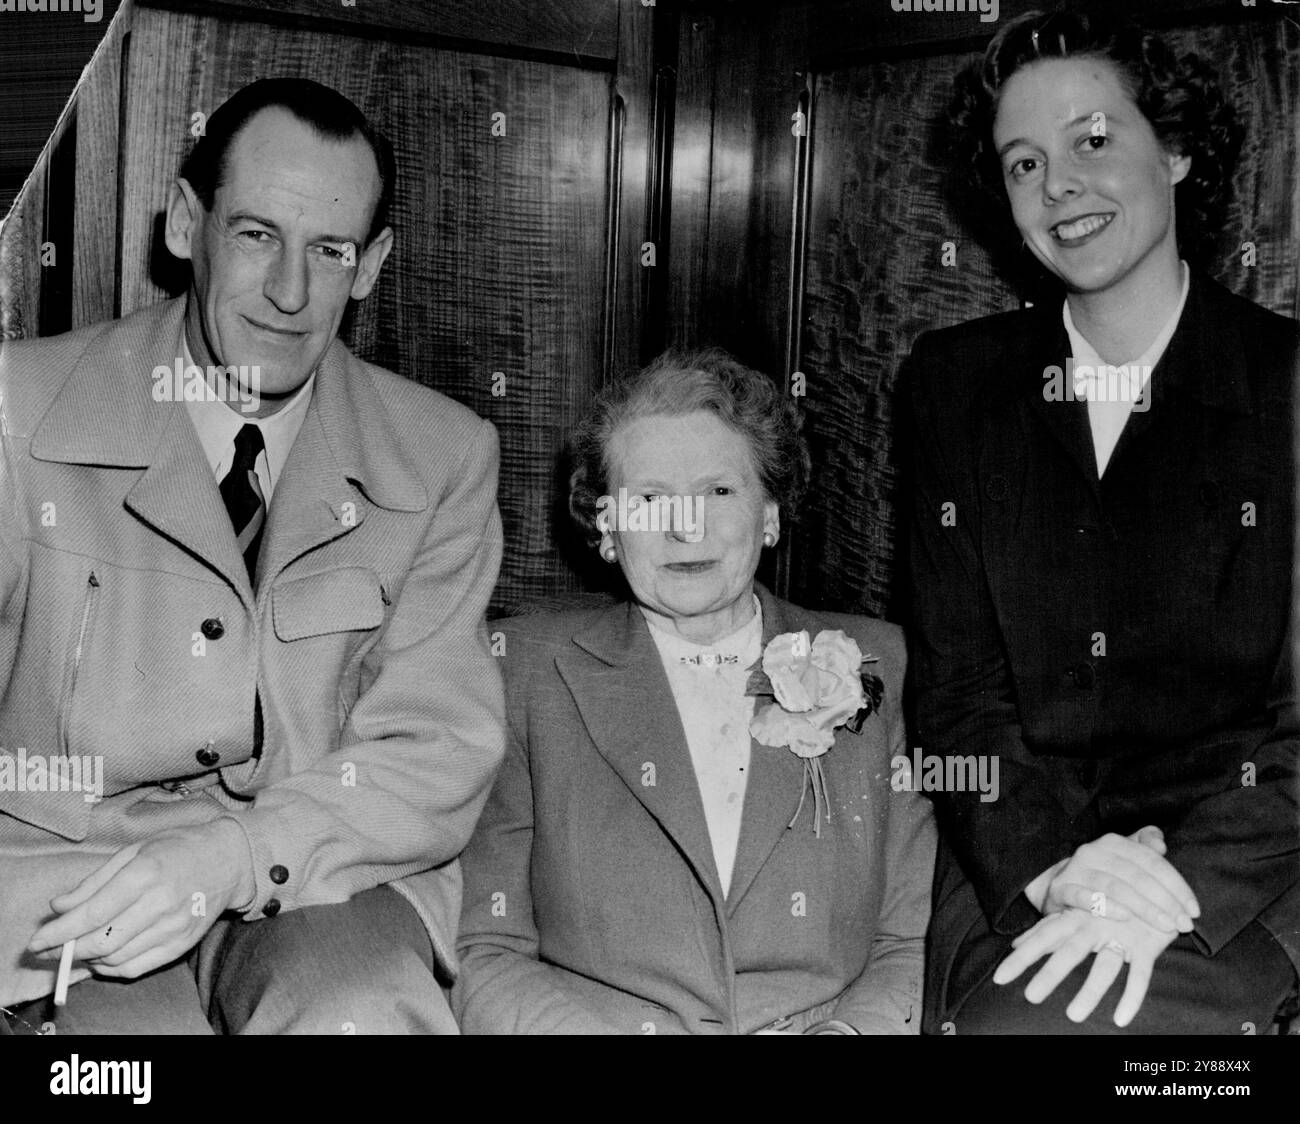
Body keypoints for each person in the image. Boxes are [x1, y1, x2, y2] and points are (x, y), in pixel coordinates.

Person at [0, 78, 505, 1033]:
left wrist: (230, 856)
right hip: (60, 882)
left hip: (318, 879)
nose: (290, 293)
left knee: (362, 1011)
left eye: (330, 249)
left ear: (371, 265)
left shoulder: (442, 455)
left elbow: (436, 753)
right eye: (257, 235)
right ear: (188, 224)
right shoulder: (17, 413)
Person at [907, 7, 1299, 1033]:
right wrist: (1055, 875)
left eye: (1092, 141)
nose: (1057, 188)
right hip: (1024, 861)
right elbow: (957, 704)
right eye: (1022, 164)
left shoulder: (1288, 387)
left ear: (1172, 149)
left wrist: (1172, 883)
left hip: (1242, 868)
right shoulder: (952, 389)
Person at [454, 348, 936, 1034]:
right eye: (649, 500)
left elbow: (910, 939)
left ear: (769, 513)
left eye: (718, 491)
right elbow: (485, 947)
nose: (685, 527)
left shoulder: (881, 663)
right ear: (607, 530)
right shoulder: (523, 671)